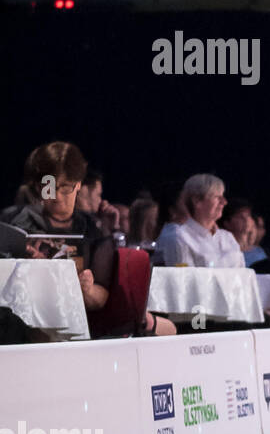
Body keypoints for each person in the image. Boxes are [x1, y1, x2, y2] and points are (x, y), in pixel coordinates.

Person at [1, 142, 173, 336]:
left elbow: (101, 297)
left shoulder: (92, 230)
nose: (56, 196)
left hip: (69, 322)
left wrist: (87, 290)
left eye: (65, 188)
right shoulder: (15, 220)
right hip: (18, 317)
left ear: (78, 185)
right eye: (48, 187)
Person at [163, 174, 244, 268]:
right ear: (197, 201)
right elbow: (184, 276)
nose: (224, 202)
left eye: (223, 196)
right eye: (217, 197)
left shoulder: (227, 237)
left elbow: (243, 273)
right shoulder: (179, 238)